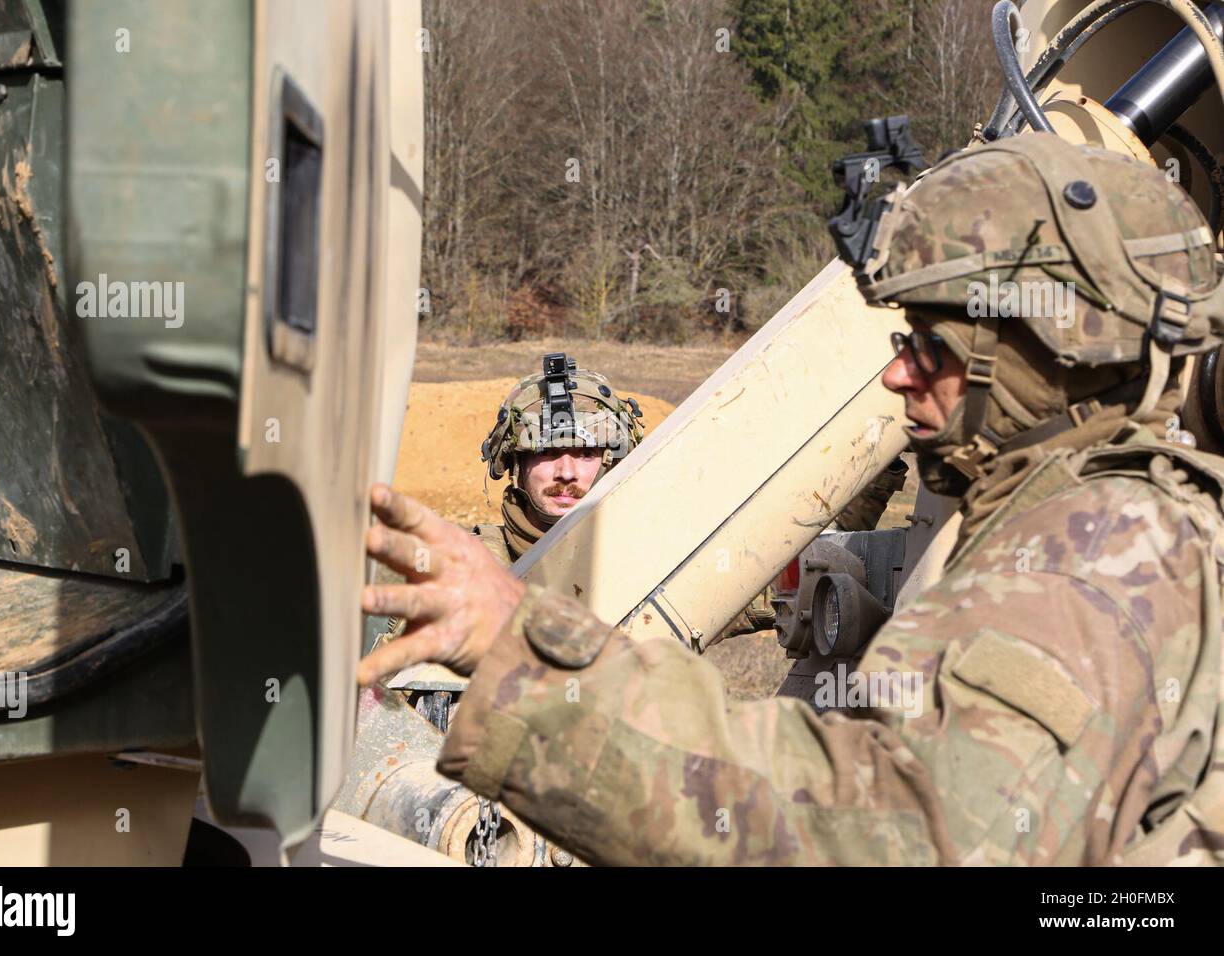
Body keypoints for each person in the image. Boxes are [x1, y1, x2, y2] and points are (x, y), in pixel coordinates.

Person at [358, 133, 1224, 865]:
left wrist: (521, 658)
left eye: (930, 346)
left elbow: (882, 829)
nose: (896, 373)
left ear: (1040, 353)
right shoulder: (1087, 522)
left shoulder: (1093, 557)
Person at [474, 354, 645, 565]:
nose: (566, 473)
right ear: (516, 464)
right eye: (546, 453)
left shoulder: (644, 558)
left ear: (611, 462)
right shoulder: (467, 567)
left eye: (586, 454)